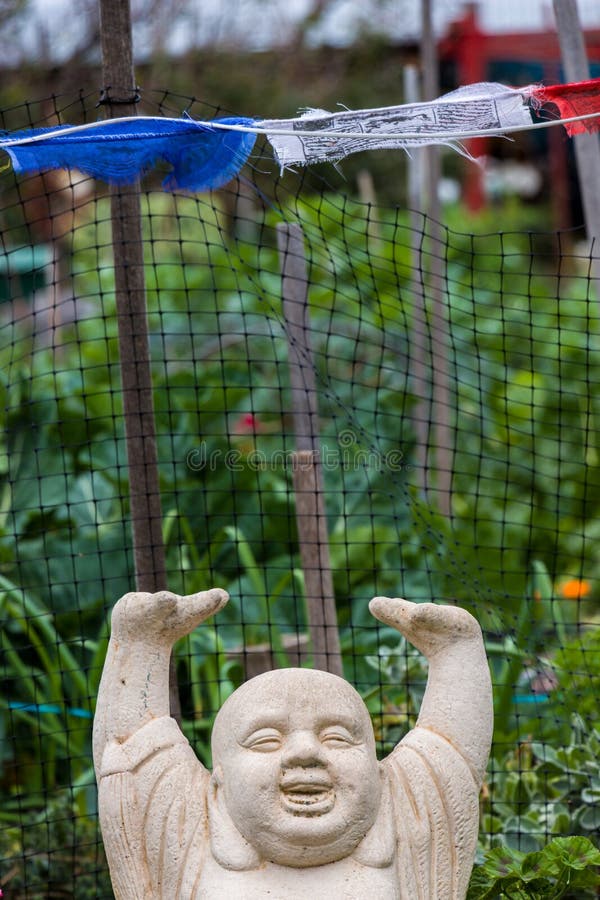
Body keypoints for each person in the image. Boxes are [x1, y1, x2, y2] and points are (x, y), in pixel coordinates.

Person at [93, 589, 492, 899]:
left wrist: (456, 651)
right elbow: (129, 758)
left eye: (337, 737)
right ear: (217, 788)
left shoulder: (404, 814)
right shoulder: (188, 834)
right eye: (266, 741)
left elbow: (451, 753)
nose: (306, 751)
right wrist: (139, 646)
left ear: (381, 776)